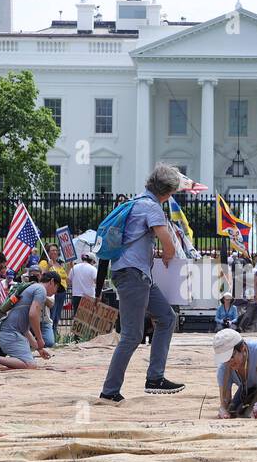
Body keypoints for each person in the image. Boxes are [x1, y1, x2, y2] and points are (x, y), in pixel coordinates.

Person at [100, 163, 184, 401]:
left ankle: (155, 378)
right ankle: (110, 391)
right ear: (167, 192)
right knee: (131, 335)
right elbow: (165, 238)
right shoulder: (152, 207)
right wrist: (168, 253)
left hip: (136, 274)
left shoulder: (136, 202)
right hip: (133, 274)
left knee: (167, 317)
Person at [0, 271, 59, 370]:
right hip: (9, 334)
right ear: (52, 281)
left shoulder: (32, 287)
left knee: (27, 363)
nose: (56, 292)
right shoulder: (41, 290)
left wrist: (39, 348)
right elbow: (33, 315)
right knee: (30, 365)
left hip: (5, 332)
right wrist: (39, 338)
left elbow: (25, 329)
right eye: (57, 288)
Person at [213, 328, 257, 417]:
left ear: (243, 348)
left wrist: (256, 410)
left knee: (254, 414)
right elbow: (224, 401)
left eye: (231, 357)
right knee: (234, 411)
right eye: (224, 359)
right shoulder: (223, 368)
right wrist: (223, 410)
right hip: (247, 388)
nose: (229, 362)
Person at [70, 253, 97, 317]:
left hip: (76, 296)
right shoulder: (93, 269)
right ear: (92, 261)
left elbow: (68, 281)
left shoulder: (74, 268)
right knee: (87, 318)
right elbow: (97, 282)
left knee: (77, 317)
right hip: (89, 296)